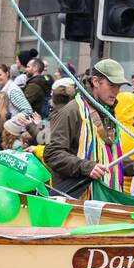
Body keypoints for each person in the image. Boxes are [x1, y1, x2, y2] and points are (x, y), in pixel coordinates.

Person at [42, 58, 118, 197]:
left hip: (100, 199)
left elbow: (110, 158)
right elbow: (52, 153)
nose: (116, 91)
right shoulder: (72, 110)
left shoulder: (107, 112)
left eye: (119, 86)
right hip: (74, 200)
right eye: (112, 85)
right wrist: (86, 167)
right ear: (95, 82)